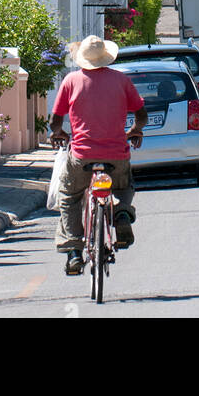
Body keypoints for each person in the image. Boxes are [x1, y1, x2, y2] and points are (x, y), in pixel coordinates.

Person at [50, 35, 148, 276]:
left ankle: (74, 252)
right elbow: (141, 113)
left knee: (70, 197)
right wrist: (135, 130)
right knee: (124, 186)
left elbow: (55, 120)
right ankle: (122, 212)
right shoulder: (121, 80)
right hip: (116, 154)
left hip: (82, 156)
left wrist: (58, 133)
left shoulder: (71, 81)